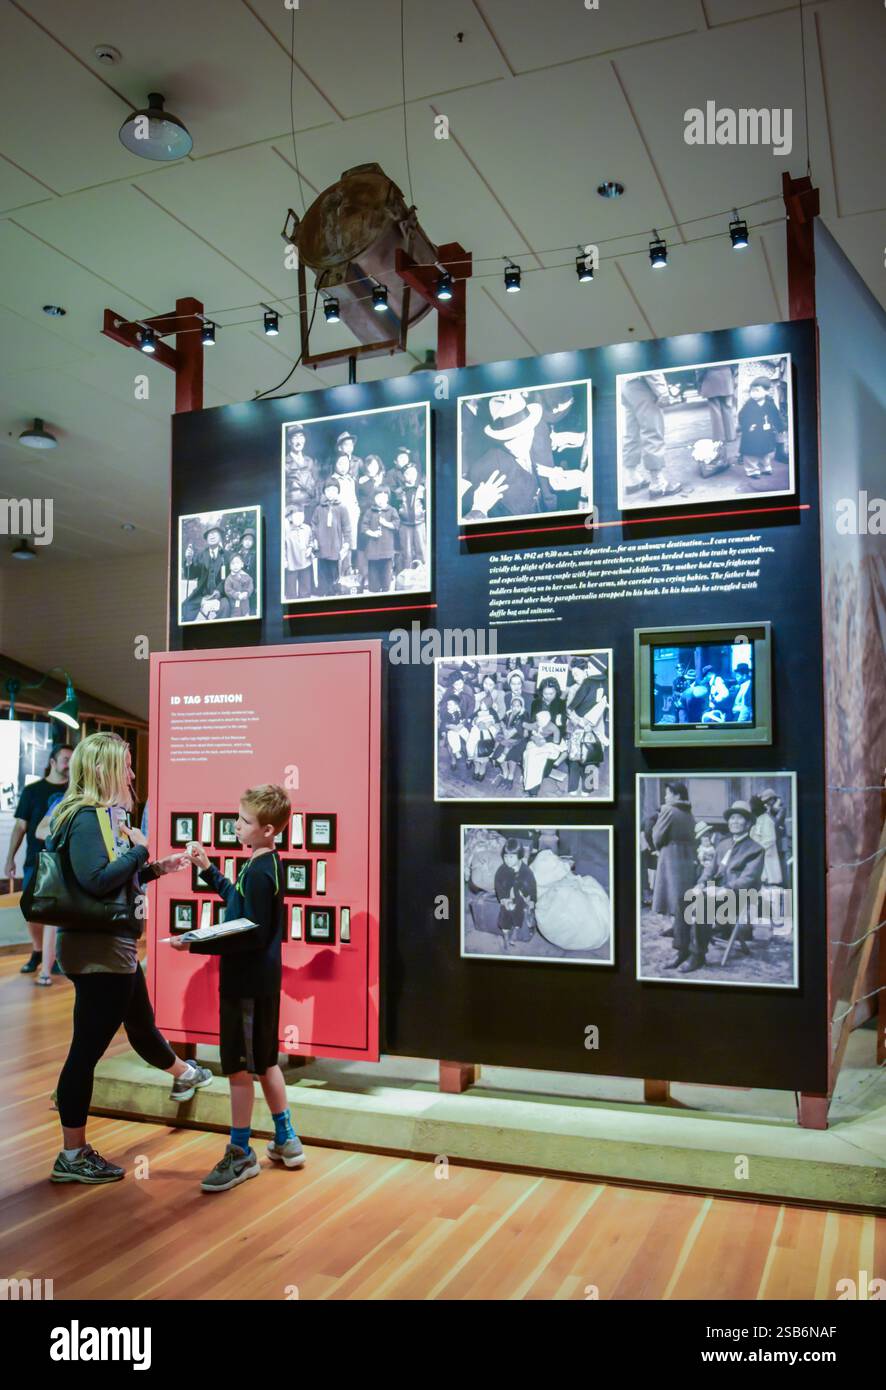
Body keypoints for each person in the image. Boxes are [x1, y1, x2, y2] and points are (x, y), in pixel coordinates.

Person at [49, 733, 210, 1185]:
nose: (133, 774)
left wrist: (155, 867)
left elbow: (109, 879)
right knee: (85, 1053)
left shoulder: (96, 817)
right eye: (126, 765)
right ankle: (72, 1154)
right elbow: (98, 881)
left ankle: (184, 1073)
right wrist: (140, 848)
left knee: (139, 1020)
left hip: (109, 950)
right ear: (103, 769)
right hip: (99, 953)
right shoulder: (86, 818)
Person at [178, 784, 304, 1191]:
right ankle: (285, 1139)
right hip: (260, 983)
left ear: (268, 830)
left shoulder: (261, 870)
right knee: (265, 1061)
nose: (236, 825)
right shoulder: (263, 864)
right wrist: (209, 870)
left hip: (245, 986)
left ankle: (240, 1152)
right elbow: (241, 908)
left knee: (238, 1069)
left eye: (245, 821)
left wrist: (195, 940)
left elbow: (247, 932)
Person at [5, 742, 73, 983]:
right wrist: (10, 858)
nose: (69, 764)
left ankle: (51, 961)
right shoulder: (33, 791)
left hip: (63, 862)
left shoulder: (74, 792)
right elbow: (21, 827)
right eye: (65, 759)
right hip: (36, 859)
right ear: (52, 763)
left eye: (72, 760)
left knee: (56, 915)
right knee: (32, 911)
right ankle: (37, 951)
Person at [692, 800, 765, 972]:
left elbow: (748, 878)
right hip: (715, 889)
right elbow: (710, 869)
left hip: (737, 896)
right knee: (683, 900)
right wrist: (701, 883)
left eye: (740, 818)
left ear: (748, 823)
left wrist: (724, 889)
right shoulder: (722, 844)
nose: (735, 822)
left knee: (703, 906)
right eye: (732, 818)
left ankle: (698, 956)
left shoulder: (756, 849)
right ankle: (681, 951)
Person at [650, 780, 697, 962]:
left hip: (670, 856)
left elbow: (657, 836)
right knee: (680, 897)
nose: (665, 796)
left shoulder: (668, 810)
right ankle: (677, 930)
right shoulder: (689, 813)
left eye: (668, 793)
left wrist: (659, 844)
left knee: (672, 897)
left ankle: (680, 941)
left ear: (677, 795)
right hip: (686, 857)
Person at [620, 372, 682, 498]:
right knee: (652, 430)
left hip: (626, 385)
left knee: (632, 433)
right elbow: (649, 365)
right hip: (642, 384)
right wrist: (662, 391)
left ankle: (632, 479)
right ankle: (658, 483)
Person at [493, 840, 537, 950]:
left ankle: (516, 930)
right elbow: (498, 884)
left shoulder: (526, 871)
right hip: (507, 895)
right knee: (505, 913)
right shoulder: (502, 869)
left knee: (518, 910)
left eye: (511, 857)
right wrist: (503, 898)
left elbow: (532, 885)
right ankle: (506, 936)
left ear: (520, 856)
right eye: (505, 856)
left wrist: (532, 899)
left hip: (520, 896)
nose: (507, 860)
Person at [311, 477, 351, 597]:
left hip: (335, 546)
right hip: (322, 547)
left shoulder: (342, 508)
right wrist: (314, 539)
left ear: (338, 492)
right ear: (324, 492)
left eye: (334, 490)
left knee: (334, 571)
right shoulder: (319, 509)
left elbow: (347, 528)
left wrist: (346, 543)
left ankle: (332, 594)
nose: (331, 493)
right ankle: (322, 591)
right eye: (328, 490)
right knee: (322, 570)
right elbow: (313, 524)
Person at [738, 376, 784, 479]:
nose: (754, 394)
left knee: (765, 452)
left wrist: (780, 427)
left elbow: (775, 416)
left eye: (757, 391)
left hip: (765, 432)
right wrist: (748, 425)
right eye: (752, 391)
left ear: (766, 392)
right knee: (751, 453)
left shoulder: (770, 404)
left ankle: (766, 468)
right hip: (751, 433)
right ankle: (752, 470)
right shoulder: (749, 405)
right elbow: (742, 416)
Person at [360, 486, 399, 594]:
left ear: (388, 498)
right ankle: (374, 590)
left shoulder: (392, 510)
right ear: (374, 498)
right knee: (373, 570)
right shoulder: (369, 512)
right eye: (378, 497)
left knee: (386, 570)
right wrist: (372, 533)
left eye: (384, 497)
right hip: (373, 548)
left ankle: (386, 589)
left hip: (387, 548)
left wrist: (385, 523)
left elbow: (396, 525)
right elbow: (364, 528)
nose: (381, 500)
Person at [284, 425, 319, 519]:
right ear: (289, 442)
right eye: (295, 437)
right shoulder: (284, 463)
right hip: (292, 509)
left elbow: (316, 484)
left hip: (310, 508)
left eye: (301, 436)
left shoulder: (310, 461)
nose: (298, 441)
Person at [283, 504, 316, 600]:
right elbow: (283, 547)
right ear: (290, 518)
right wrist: (284, 560)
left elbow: (311, 540)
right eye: (296, 516)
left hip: (305, 561)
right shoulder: (285, 530)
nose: (300, 519)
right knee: (291, 589)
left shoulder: (307, 528)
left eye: (302, 516)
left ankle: (304, 602)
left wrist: (310, 548)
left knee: (305, 587)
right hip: (291, 563)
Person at [224, 552, 254, 618]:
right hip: (234, 605)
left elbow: (250, 586)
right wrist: (236, 595)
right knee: (235, 616)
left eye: (237, 563)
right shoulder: (229, 578)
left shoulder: (247, 576)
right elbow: (228, 590)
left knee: (246, 615)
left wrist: (247, 592)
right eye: (232, 563)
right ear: (229, 566)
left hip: (245, 604)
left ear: (242, 564)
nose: (235, 566)